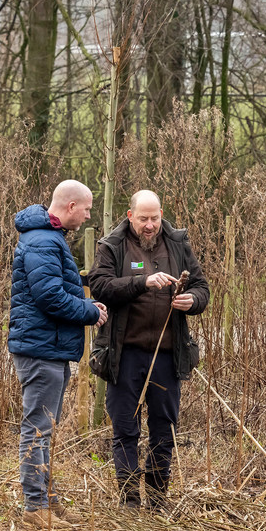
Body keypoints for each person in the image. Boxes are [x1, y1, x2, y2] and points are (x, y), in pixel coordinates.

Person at [88, 189, 209, 509]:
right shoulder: (112, 246)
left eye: (155, 218)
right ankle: (129, 500)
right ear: (130, 216)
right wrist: (143, 282)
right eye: (143, 219)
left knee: (163, 429)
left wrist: (192, 301)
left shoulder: (178, 243)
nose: (150, 225)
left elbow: (202, 289)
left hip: (167, 356)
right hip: (123, 354)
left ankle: (157, 499)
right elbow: (99, 286)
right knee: (125, 428)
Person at [8, 180, 107, 529]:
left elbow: (58, 286)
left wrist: (86, 295)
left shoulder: (48, 239)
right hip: (40, 348)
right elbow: (49, 297)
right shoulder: (42, 241)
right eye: (86, 208)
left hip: (48, 347)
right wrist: (90, 312)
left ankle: (44, 500)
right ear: (69, 207)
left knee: (44, 427)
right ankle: (35, 508)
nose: (88, 215)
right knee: (37, 429)